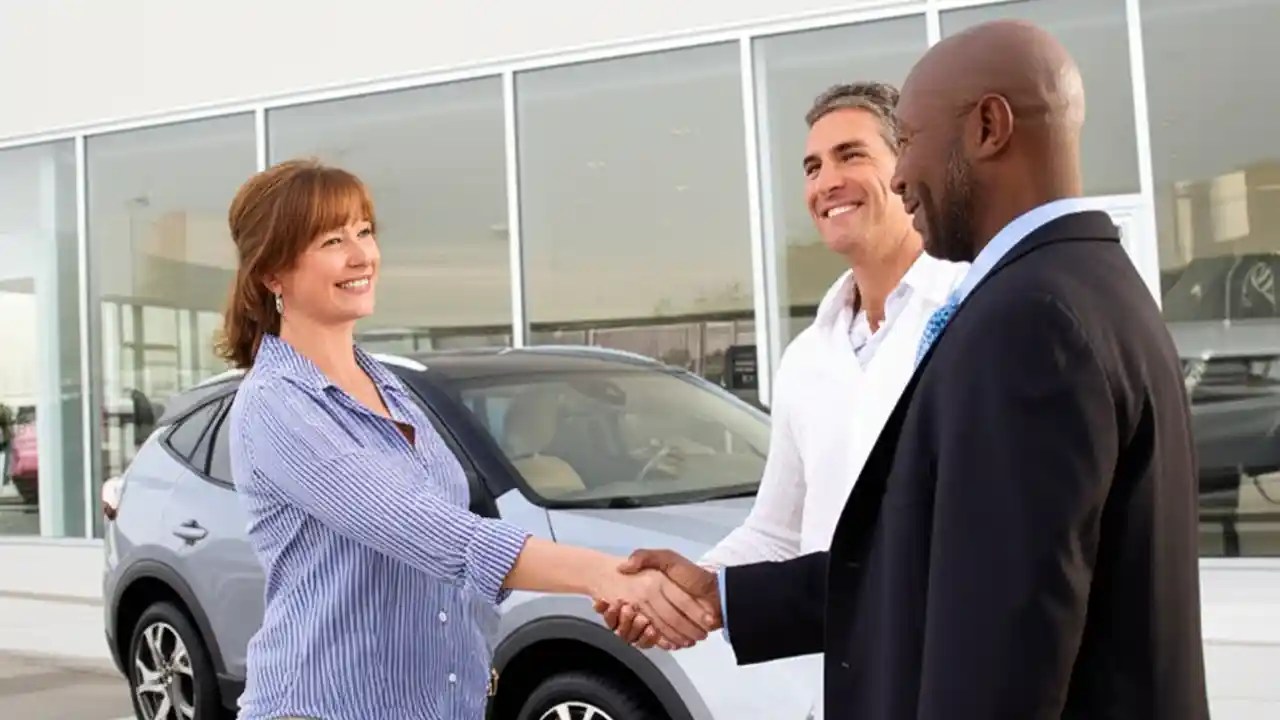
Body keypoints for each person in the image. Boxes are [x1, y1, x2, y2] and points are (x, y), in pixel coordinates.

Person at [603, 19, 1209, 720]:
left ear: (989, 127)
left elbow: (1001, 642)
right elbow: (922, 563)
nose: (900, 174)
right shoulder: (1089, 285)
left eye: (908, 141)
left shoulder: (1023, 320)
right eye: (811, 166)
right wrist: (719, 595)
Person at [220, 159, 716, 720]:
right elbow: (422, 527)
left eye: (365, 231)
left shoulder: (391, 387)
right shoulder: (276, 403)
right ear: (272, 274)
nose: (362, 256)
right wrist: (605, 575)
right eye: (333, 240)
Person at [599, 82, 966, 717]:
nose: (828, 182)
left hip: (957, 686)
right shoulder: (807, 357)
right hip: (844, 691)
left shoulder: (971, 316)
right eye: (813, 166)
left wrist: (720, 599)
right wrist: (690, 589)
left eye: (851, 155)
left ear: (904, 165)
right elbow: (776, 529)